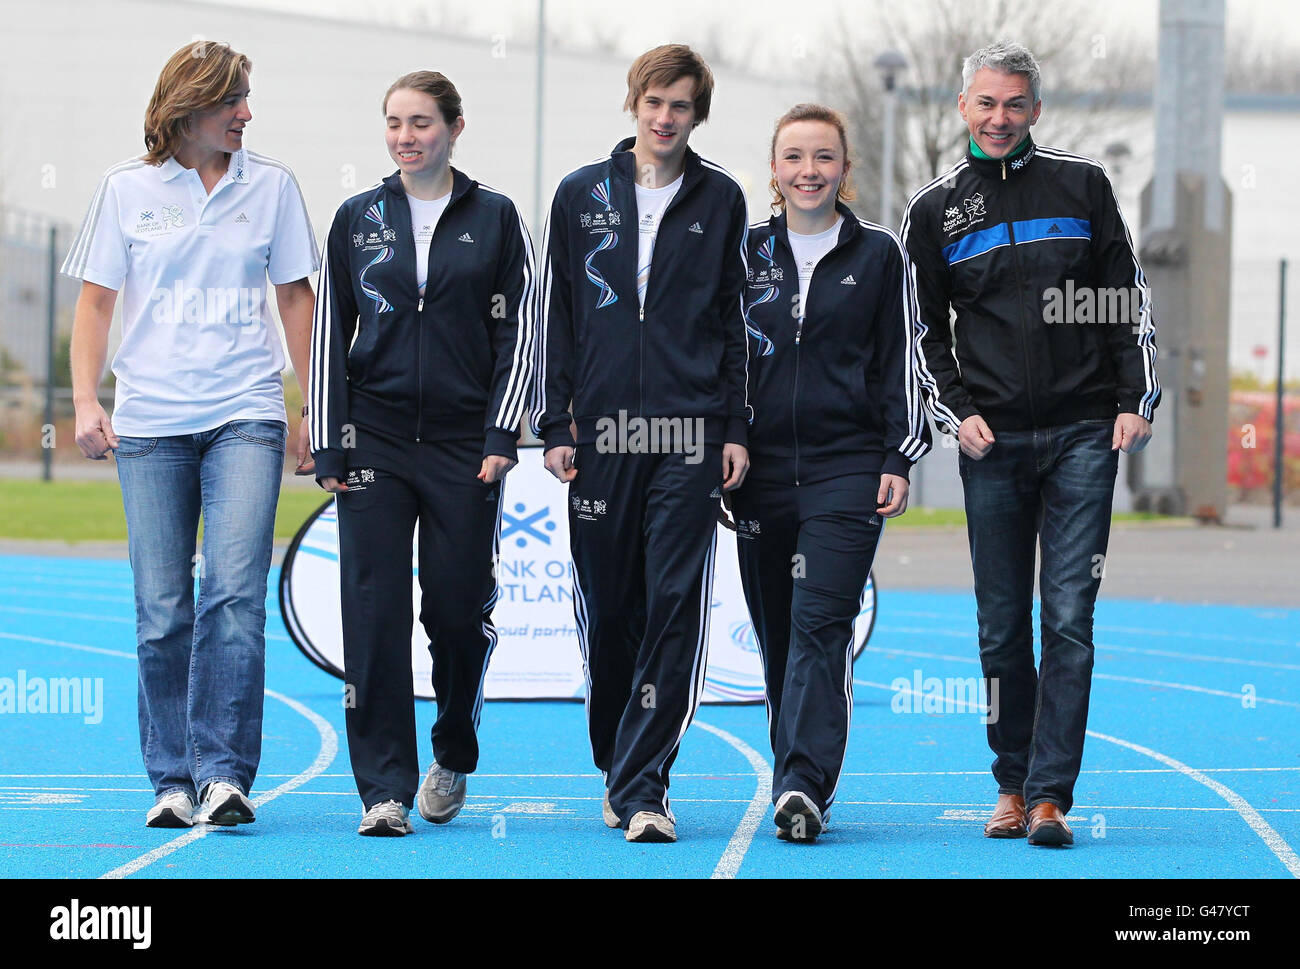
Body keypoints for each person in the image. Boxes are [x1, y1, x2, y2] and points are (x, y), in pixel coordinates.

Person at [901, 42, 1159, 846]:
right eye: (985, 103)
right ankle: (1010, 782)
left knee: (1071, 617)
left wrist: (1133, 398)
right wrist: (957, 411)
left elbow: (1127, 296)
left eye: (1014, 104)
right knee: (1002, 626)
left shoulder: (1083, 184)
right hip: (994, 443)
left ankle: (1050, 795)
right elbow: (920, 330)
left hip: (1087, 432)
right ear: (962, 108)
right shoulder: (934, 210)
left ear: (1035, 110)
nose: (999, 118)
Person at [64, 41, 319, 828]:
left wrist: (310, 408)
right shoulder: (124, 190)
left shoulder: (273, 187)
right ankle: (170, 778)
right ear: (189, 106)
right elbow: (96, 306)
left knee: (235, 594)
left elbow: (297, 301)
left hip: (247, 411)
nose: (247, 112)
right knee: (163, 608)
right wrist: (84, 401)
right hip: (150, 423)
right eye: (233, 100)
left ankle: (224, 772)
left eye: (247, 98)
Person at [533, 44, 750, 843]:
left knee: (673, 603)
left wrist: (732, 427)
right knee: (613, 601)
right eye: (656, 102)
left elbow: (734, 322)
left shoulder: (721, 198)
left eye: (682, 106)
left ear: (698, 114)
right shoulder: (578, 193)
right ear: (636, 103)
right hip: (602, 429)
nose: (666, 118)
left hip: (688, 432)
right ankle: (615, 754)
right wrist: (555, 421)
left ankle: (645, 783)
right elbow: (556, 315)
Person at [310, 71, 536, 836]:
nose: (407, 137)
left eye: (422, 123)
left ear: (455, 128)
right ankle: (384, 787)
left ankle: (453, 749)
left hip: (463, 444)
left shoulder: (498, 219)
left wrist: (503, 434)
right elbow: (327, 336)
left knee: (454, 606)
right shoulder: (357, 218)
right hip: (372, 435)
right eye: (395, 123)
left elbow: (521, 335)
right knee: (372, 610)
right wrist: (327, 436)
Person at [731, 104, 931, 842]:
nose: (809, 170)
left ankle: (801, 783)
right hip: (757, 472)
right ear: (775, 169)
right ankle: (796, 768)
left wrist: (897, 455)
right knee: (779, 632)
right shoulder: (741, 251)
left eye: (823, 157)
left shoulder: (880, 254)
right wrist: (726, 441)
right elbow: (720, 355)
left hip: (847, 467)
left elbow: (902, 357)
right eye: (794, 157)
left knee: (821, 621)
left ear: (845, 168)